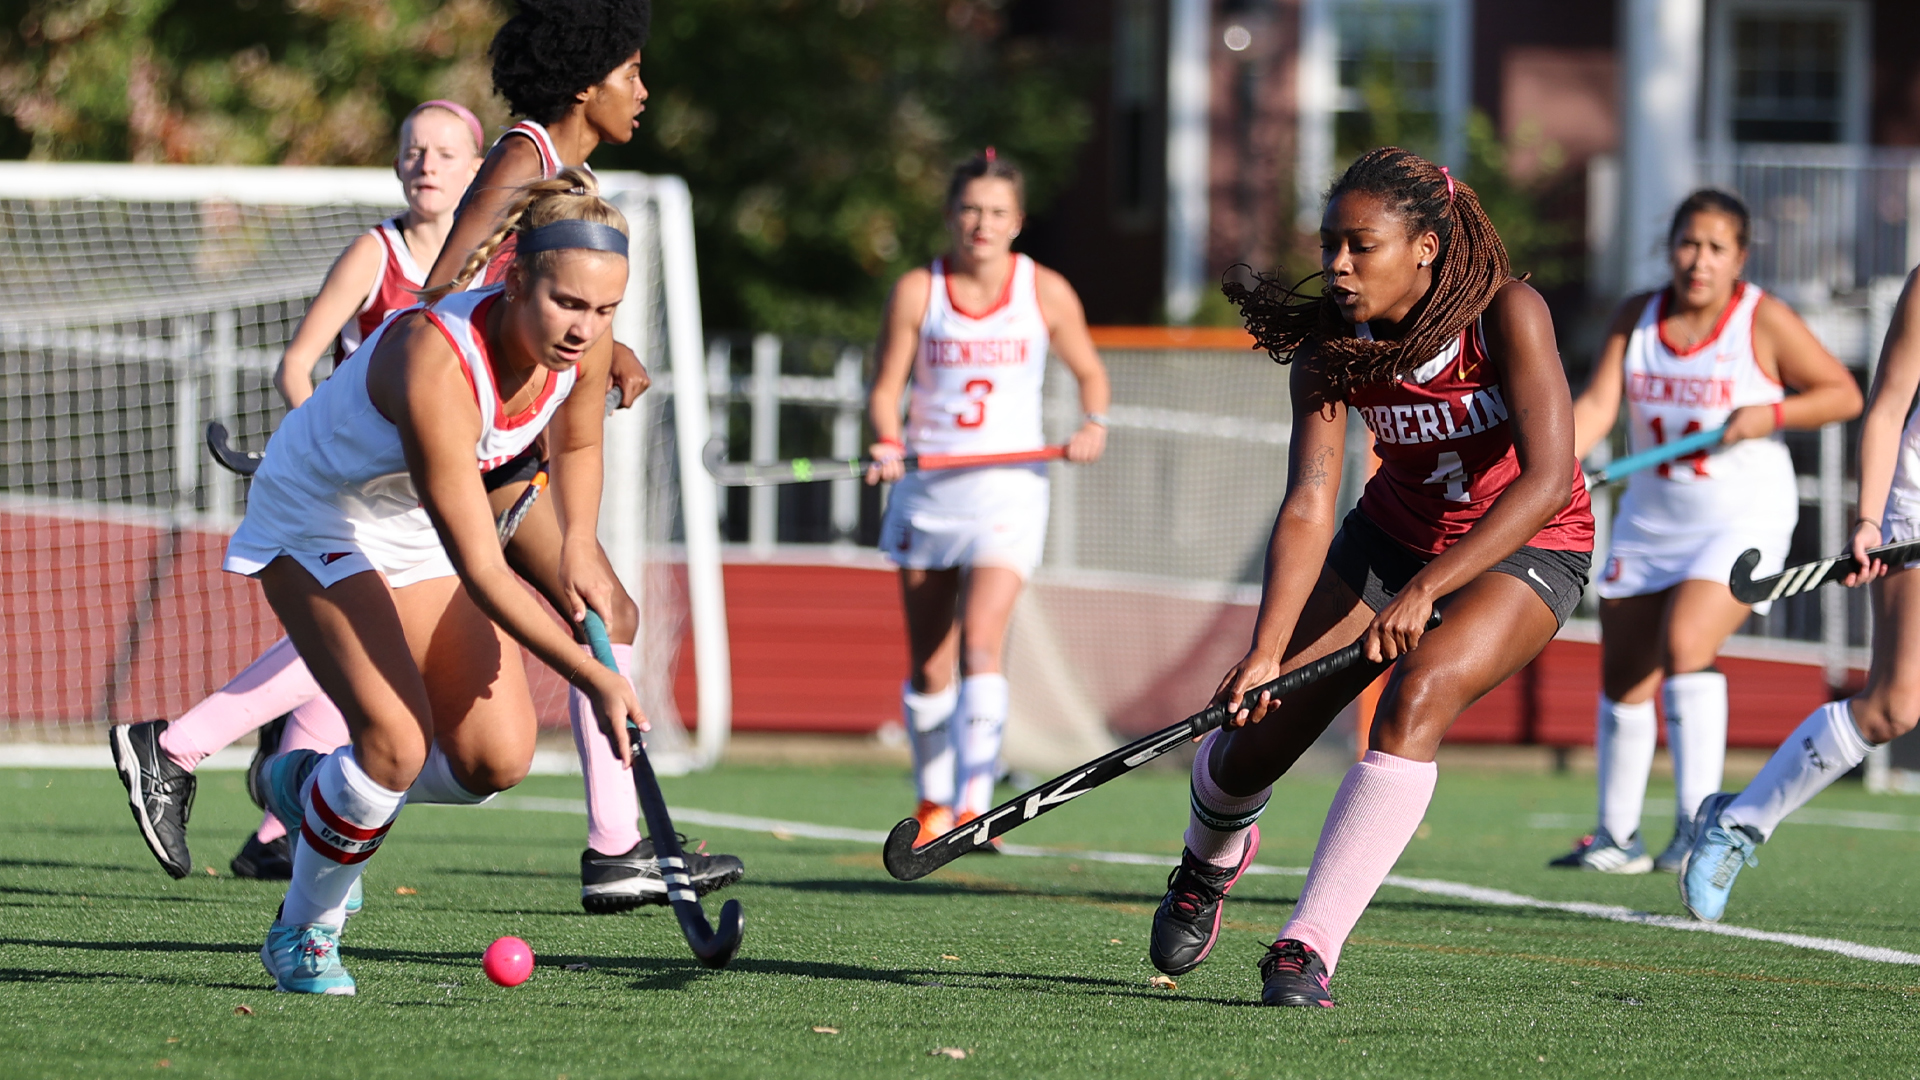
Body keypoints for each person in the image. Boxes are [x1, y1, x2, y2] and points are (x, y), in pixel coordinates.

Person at [1145, 147, 1594, 1008]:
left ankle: (1306, 948)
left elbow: (1545, 481)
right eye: (1328, 246)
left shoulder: (1510, 313)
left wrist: (1431, 590)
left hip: (1528, 547)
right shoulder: (1329, 345)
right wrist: (1265, 650)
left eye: (1362, 247)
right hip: (1391, 540)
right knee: (1261, 733)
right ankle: (1208, 862)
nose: (1338, 267)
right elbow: (1311, 503)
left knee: (1415, 696)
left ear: (1425, 246)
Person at [230, 169, 650, 995]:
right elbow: (485, 569)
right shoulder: (436, 358)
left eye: (604, 312)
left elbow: (577, 447)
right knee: (394, 744)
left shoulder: (586, 334)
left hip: (411, 522)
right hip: (319, 515)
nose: (584, 329)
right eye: (568, 305)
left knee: (495, 759)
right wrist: (591, 673)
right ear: (517, 278)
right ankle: (302, 935)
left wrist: (580, 547)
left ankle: (310, 784)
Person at [110, 99, 490, 881]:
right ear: (396, 161)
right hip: (358, 490)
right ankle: (181, 746)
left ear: (477, 171)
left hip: (422, 497)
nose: (426, 165)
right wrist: (323, 447)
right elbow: (297, 366)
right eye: (414, 149)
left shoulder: (489, 268)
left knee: (372, 658)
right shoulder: (373, 254)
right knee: (364, 639)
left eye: (446, 154)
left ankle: (275, 822)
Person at [1551, 190, 1860, 875]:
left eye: (1717, 248)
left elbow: (1843, 393)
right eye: (1689, 243)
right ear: (1672, 248)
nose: (1700, 260)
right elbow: (1601, 404)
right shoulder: (1638, 315)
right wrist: (1550, 462)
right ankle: (1616, 837)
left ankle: (1698, 824)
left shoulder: (1762, 319)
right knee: (1624, 671)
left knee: (1687, 641)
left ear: (1739, 258)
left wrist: (1769, 413)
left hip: (1741, 515)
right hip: (1653, 514)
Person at [864, 150, 1109, 844]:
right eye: (970, 209)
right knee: (930, 661)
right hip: (929, 489)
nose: (982, 223)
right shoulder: (920, 289)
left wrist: (1094, 424)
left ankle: (976, 804)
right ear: (950, 215)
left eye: (997, 212)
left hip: (1008, 490)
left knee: (981, 644)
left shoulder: (1045, 290)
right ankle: (934, 800)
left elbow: (1090, 373)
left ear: (1018, 222)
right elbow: (887, 388)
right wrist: (887, 439)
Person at [1680, 264, 1920, 922]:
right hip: (1915, 515)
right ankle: (1740, 821)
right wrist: (1869, 518)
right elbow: (1889, 406)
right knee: (1895, 708)